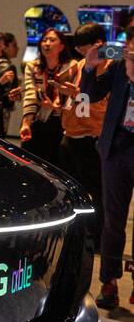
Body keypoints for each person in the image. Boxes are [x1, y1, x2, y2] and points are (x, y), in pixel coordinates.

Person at [78, 25, 134, 309]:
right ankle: (109, 282)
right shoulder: (119, 66)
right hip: (116, 148)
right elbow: (89, 96)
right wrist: (89, 68)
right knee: (113, 219)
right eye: (130, 45)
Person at [59, 23, 108, 246]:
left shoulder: (109, 66)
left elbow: (100, 107)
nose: (79, 51)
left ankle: (94, 237)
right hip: (71, 135)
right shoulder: (79, 64)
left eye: (83, 47)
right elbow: (80, 101)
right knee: (73, 189)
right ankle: (79, 234)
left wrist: (77, 94)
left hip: (91, 138)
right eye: (77, 47)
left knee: (95, 192)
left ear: (98, 44)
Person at [19, 27, 71, 165]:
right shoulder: (33, 66)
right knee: (32, 163)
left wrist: (55, 108)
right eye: (44, 40)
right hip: (38, 120)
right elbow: (30, 93)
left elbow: (73, 96)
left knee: (58, 164)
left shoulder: (71, 67)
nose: (47, 43)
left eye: (52, 40)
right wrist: (26, 123)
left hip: (62, 124)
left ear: (61, 46)